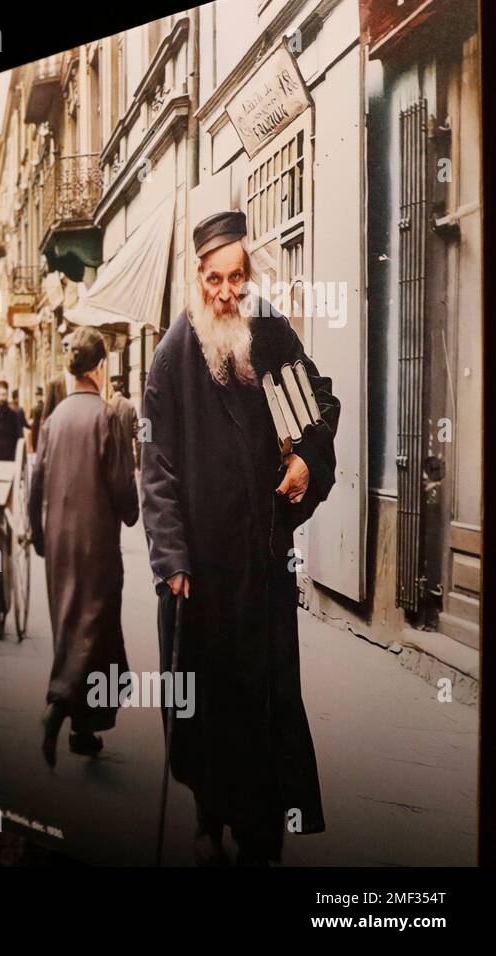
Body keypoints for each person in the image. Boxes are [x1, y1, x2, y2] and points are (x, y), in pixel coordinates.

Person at [140, 210, 340, 866]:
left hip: (260, 564)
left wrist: (306, 460)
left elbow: (317, 410)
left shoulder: (269, 338)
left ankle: (261, 833)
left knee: (266, 700)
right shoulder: (174, 353)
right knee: (207, 710)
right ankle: (207, 815)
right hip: (200, 573)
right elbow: (158, 467)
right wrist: (169, 556)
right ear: (195, 278)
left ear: (247, 275)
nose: (226, 292)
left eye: (236, 278)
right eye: (213, 280)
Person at [29, 327, 138, 762]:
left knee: (72, 627)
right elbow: (121, 485)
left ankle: (83, 731)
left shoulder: (54, 420)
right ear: (98, 366)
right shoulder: (105, 417)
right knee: (95, 630)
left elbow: (35, 482)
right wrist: (131, 511)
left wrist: (39, 537)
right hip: (96, 545)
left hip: (58, 544)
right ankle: (59, 704)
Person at [108, 379, 140, 470]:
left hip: (111, 459)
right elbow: (138, 434)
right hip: (127, 459)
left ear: (113, 390)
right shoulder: (130, 405)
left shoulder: (106, 406)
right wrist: (139, 461)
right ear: (123, 390)